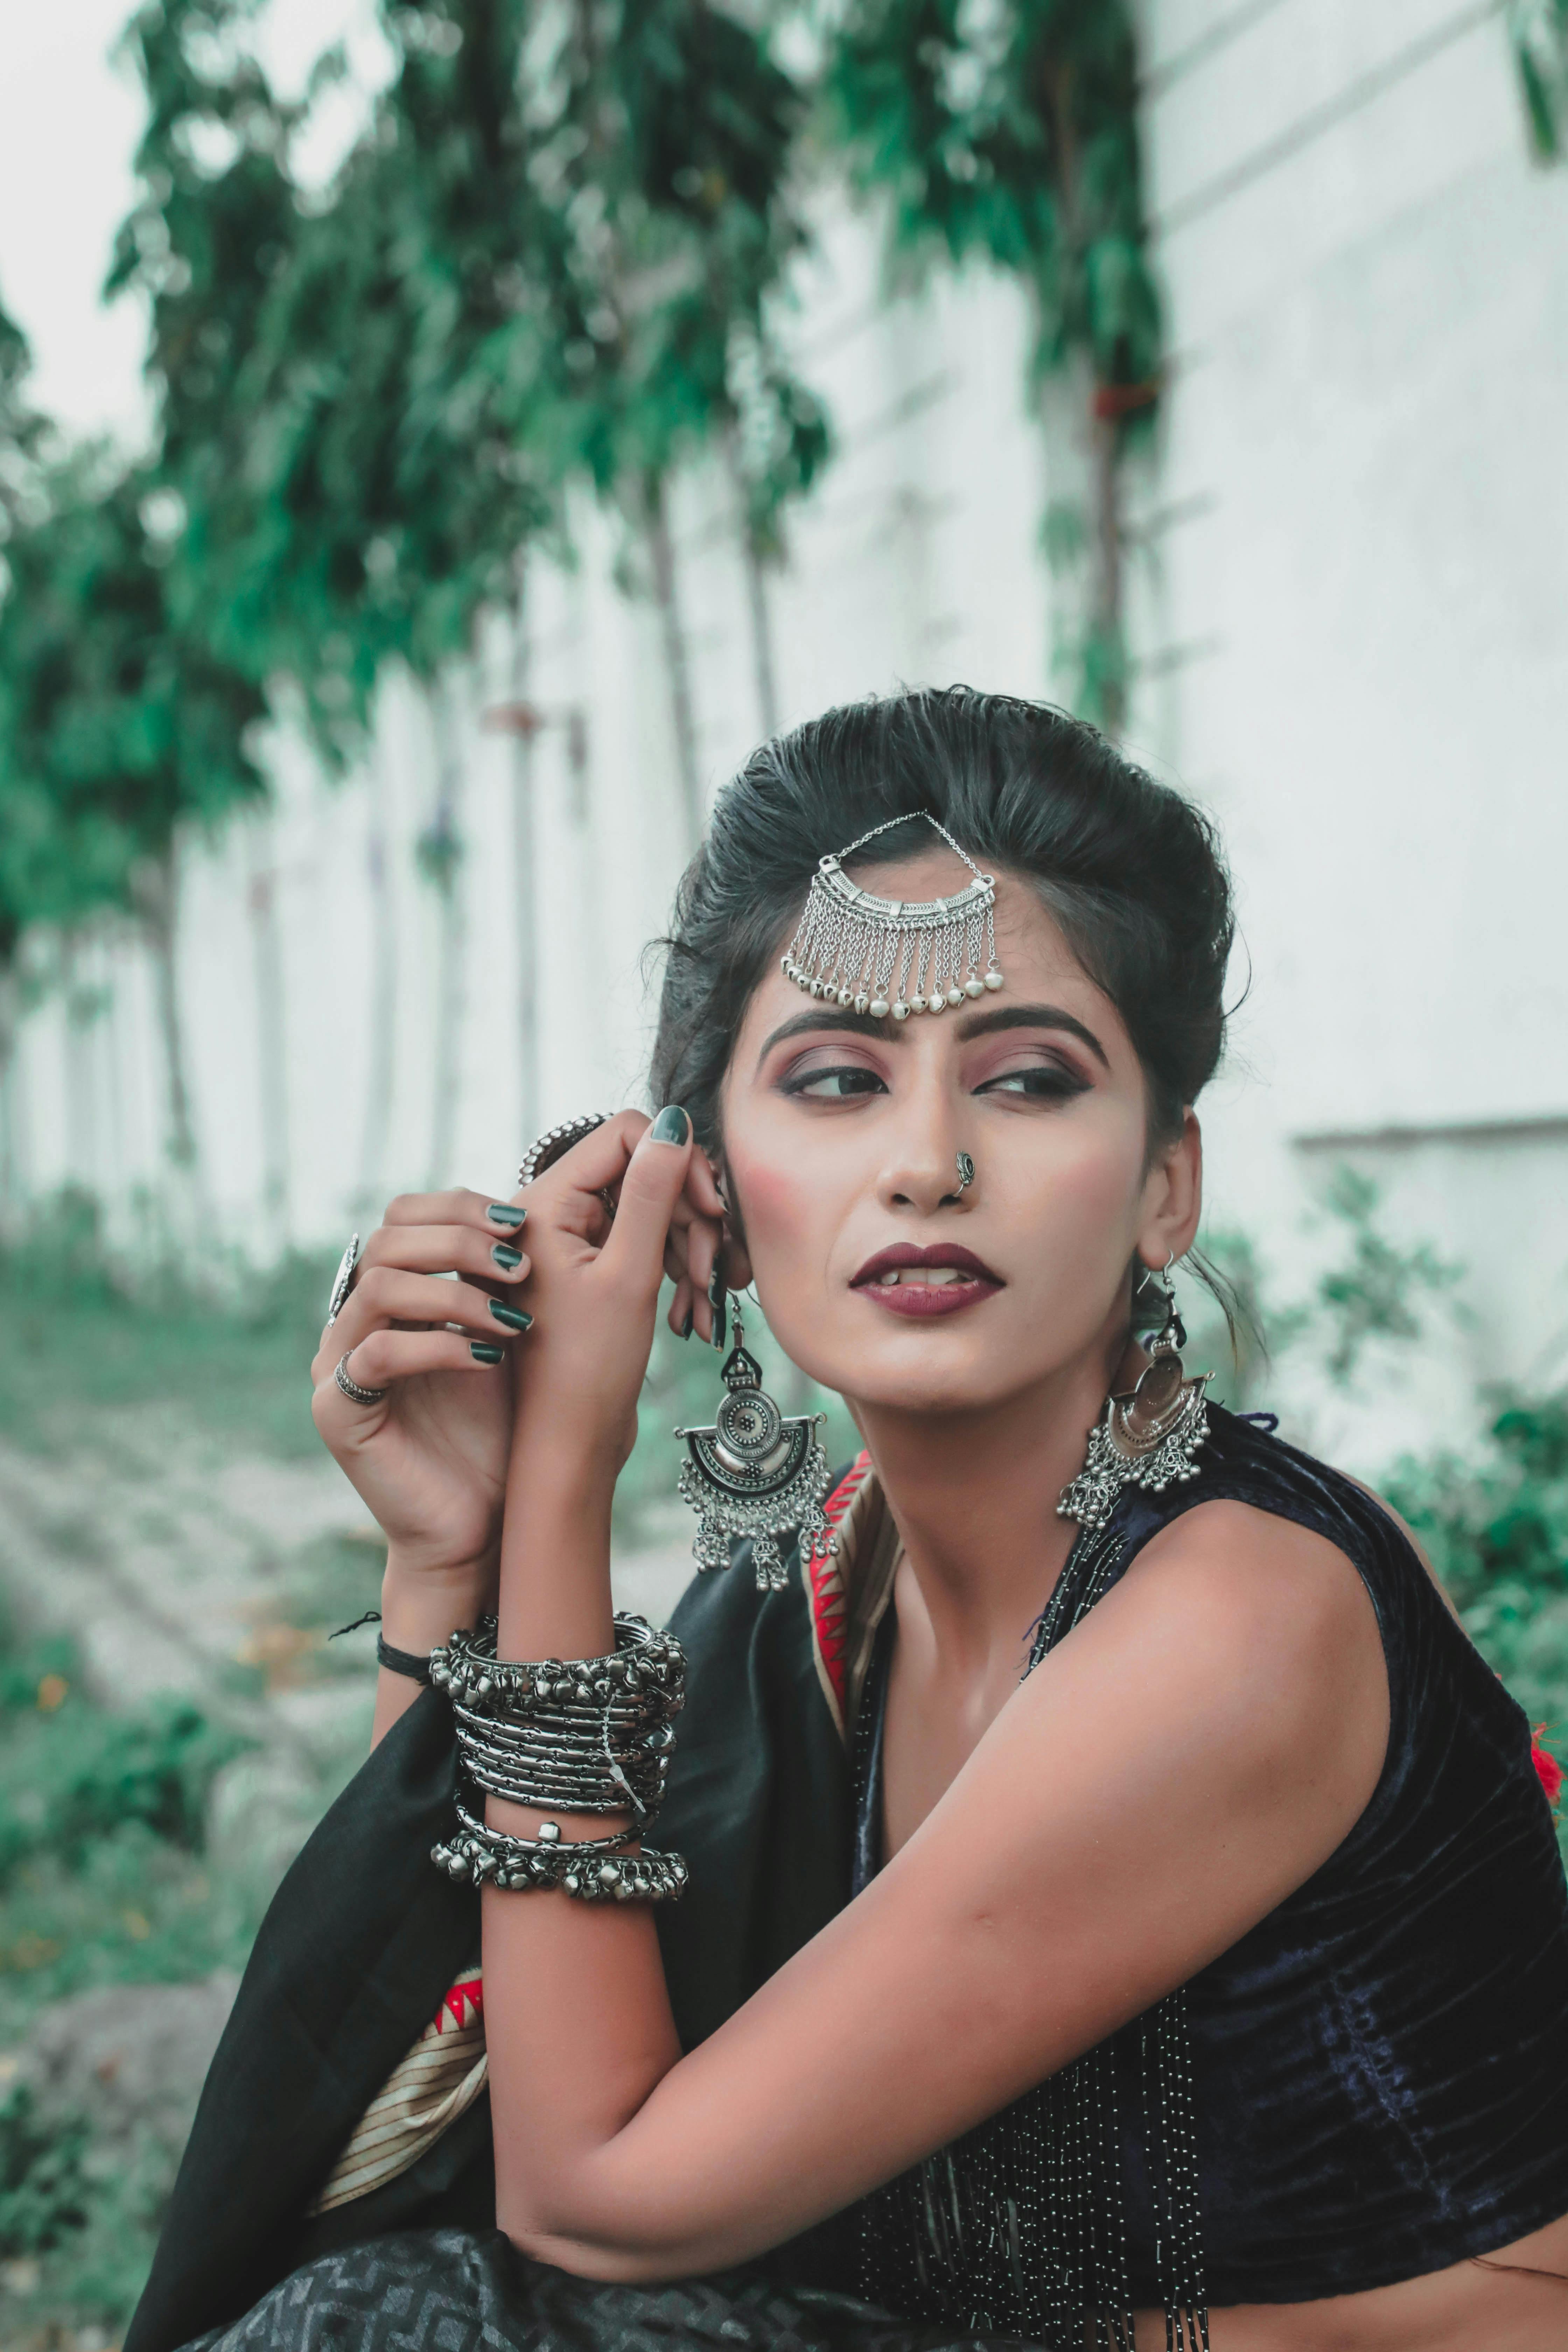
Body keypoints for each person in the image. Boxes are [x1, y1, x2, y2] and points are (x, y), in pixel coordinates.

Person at [127, 688, 1568, 2352]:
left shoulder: (1236, 1617)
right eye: (833, 1082)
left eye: (1028, 1082)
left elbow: (589, 2195)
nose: (931, 1162)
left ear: (1167, 1180)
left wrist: (563, 1503)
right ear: (707, 1190)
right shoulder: (836, 1590)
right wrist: (456, 1548)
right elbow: (449, 2075)